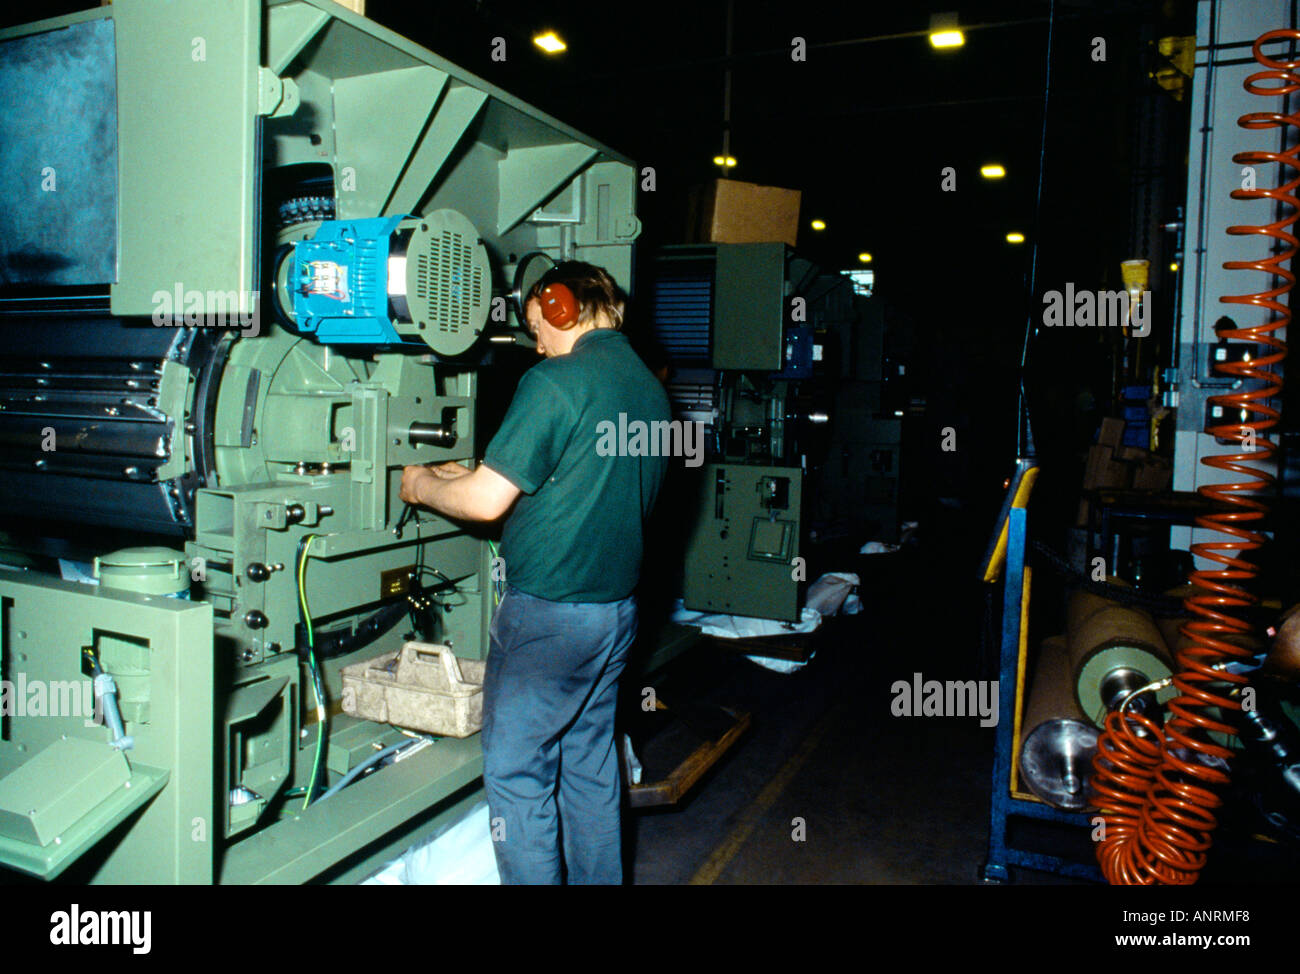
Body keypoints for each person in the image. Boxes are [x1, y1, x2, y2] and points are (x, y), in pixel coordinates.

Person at [399, 260, 671, 884]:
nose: (535, 342)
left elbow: (485, 503)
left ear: (560, 306)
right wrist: (465, 474)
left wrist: (420, 484)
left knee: (518, 776)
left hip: (548, 619)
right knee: (589, 762)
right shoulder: (649, 391)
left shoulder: (556, 380)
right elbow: (583, 480)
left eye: (535, 325)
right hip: (615, 615)